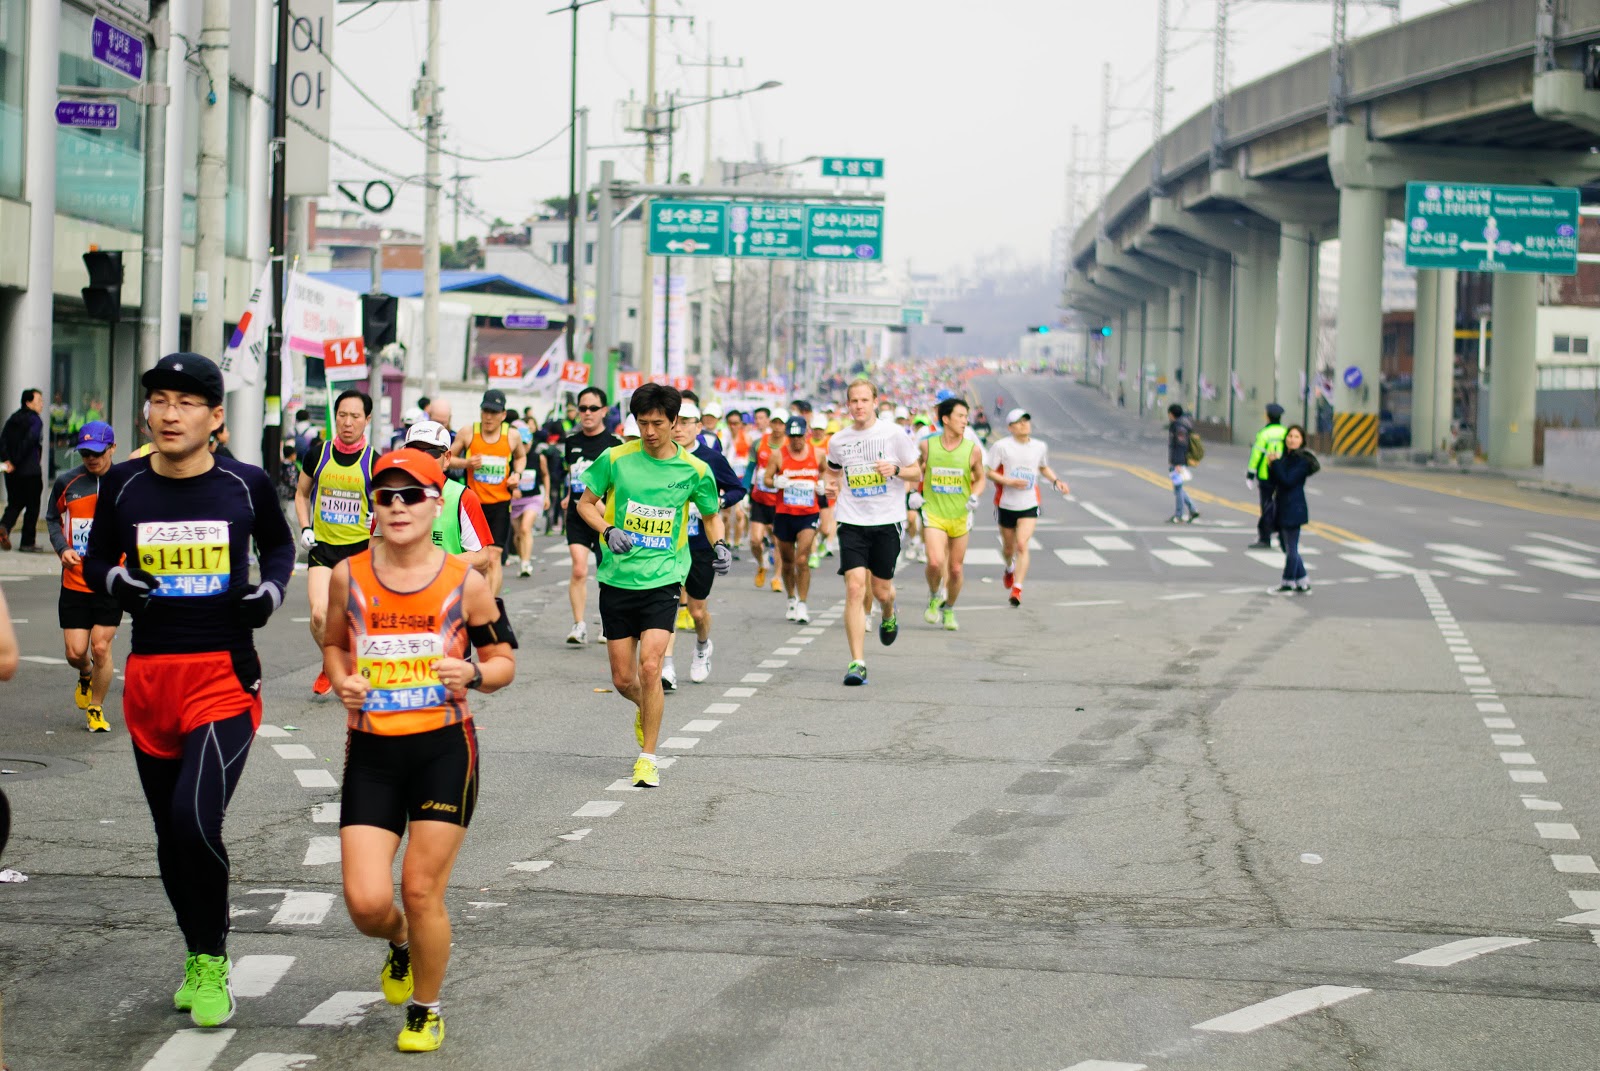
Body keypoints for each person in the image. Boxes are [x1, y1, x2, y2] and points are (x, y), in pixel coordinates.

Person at [82, 353, 295, 1028]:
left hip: (222, 676)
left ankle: (212, 956)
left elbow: (281, 547)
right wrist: (114, 584)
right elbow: (94, 558)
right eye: (159, 400)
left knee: (194, 819)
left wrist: (269, 590)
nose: (169, 413)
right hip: (150, 678)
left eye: (186, 402)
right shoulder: (122, 485)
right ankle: (197, 947)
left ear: (215, 417)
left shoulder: (245, 484)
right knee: (170, 838)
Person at [322, 448, 517, 1053]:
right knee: (366, 903)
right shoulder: (347, 576)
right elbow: (333, 644)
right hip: (374, 752)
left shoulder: (466, 582)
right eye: (386, 496)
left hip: (443, 750)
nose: (398, 506)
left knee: (420, 888)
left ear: (439, 501)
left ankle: (426, 1009)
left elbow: (504, 661)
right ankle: (399, 942)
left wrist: (474, 675)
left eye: (412, 495)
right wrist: (342, 680)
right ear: (372, 507)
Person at [576, 384, 728, 788]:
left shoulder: (694, 470)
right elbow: (584, 504)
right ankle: (647, 708)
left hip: (664, 578)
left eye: (657, 423)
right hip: (617, 579)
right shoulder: (615, 459)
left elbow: (711, 514)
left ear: (675, 422)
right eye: (642, 423)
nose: (649, 431)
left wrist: (720, 545)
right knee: (624, 679)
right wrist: (608, 530)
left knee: (651, 667)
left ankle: (648, 757)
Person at [823, 380, 921, 687]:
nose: (859, 406)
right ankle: (857, 662)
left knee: (881, 591)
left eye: (865, 400)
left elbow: (917, 471)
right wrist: (830, 485)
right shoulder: (838, 440)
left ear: (875, 402)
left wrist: (896, 470)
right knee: (854, 588)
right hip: (851, 521)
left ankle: (889, 611)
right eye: (854, 401)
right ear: (848, 405)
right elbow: (832, 470)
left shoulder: (893, 434)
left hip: (887, 520)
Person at [295, 389, 376, 697]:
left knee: (355, 621)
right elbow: (302, 494)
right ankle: (332, 664)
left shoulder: (373, 462)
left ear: (366, 420)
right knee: (319, 614)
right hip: (323, 549)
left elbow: (384, 506)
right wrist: (305, 527)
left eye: (355, 416)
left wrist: (376, 528)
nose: (347, 422)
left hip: (358, 552)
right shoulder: (318, 453)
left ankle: (340, 661)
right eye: (342, 415)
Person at [44, 420, 122, 732]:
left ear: (112, 448)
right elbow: (51, 517)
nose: (91, 458)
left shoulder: (127, 483)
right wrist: (62, 548)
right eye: (85, 452)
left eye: (97, 452)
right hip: (75, 580)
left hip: (110, 581)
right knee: (76, 652)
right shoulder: (68, 481)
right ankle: (85, 673)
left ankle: (96, 708)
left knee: (101, 646)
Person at [666, 401, 745, 685]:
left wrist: (716, 503)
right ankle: (666, 667)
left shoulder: (710, 459)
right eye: (674, 422)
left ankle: (702, 647)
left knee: (697, 611)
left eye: (686, 423)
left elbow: (737, 488)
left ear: (699, 427)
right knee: (668, 607)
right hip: (666, 545)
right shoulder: (661, 456)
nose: (679, 429)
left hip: (700, 544)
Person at [446, 389, 526, 596]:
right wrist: (466, 463)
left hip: (500, 503)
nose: (489, 417)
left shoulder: (512, 435)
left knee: (493, 557)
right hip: (474, 505)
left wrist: (516, 474)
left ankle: (490, 603)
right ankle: (476, 598)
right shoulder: (468, 432)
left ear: (503, 414)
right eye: (485, 411)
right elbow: (447, 459)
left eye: (494, 412)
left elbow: (520, 457)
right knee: (475, 558)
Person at [985, 409, 1069, 608]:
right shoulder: (1001, 446)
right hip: (1006, 503)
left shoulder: (1040, 446)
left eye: (1026, 421)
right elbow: (988, 471)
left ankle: (1017, 588)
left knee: (1022, 545)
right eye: (1019, 422)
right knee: (1009, 548)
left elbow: (1042, 467)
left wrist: (1057, 481)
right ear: (1010, 427)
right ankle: (1008, 567)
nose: (1024, 425)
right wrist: (1008, 481)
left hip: (1029, 502)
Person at [919, 397, 986, 632]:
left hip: (960, 515)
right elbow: (915, 470)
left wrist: (975, 495)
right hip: (933, 513)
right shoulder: (927, 446)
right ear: (945, 419)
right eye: (960, 416)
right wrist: (912, 495)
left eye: (966, 417)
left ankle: (949, 608)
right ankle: (935, 593)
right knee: (936, 562)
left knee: (956, 569)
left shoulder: (972, 450)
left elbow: (981, 477)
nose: (965, 421)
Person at [560, 387, 621, 644]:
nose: (587, 413)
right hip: (577, 515)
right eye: (582, 408)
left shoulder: (614, 445)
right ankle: (579, 625)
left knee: (606, 575)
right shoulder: (571, 442)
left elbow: (619, 486)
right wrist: (566, 495)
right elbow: (571, 474)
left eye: (593, 408)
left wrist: (608, 510)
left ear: (604, 411)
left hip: (604, 519)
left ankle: (607, 624)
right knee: (578, 569)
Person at [399, 422, 494, 574]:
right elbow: (376, 546)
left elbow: (482, 558)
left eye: (432, 452)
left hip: (449, 592)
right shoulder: (390, 493)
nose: (423, 458)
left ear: (447, 458)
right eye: (414, 450)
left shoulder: (463, 497)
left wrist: (437, 563)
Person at [764, 415, 823, 624]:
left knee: (802, 559)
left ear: (806, 435)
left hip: (808, 513)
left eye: (800, 437)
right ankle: (791, 598)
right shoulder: (778, 455)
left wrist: (823, 486)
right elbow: (767, 479)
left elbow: (829, 474)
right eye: (793, 437)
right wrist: (776, 482)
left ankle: (803, 603)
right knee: (788, 562)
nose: (796, 441)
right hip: (785, 514)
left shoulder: (818, 454)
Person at [1268, 424, 1319, 594]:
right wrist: (1272, 465)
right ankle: (1303, 580)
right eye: (1290, 436)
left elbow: (1288, 480)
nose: (1292, 439)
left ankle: (1288, 582)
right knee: (1287, 547)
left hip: (1294, 507)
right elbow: (1276, 480)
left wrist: (1275, 464)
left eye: (1296, 437)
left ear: (1302, 440)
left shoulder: (1302, 461)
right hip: (1283, 506)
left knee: (1291, 548)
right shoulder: (1286, 457)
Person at [0, 388, 46, 552]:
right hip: (30, 471)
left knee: (15, 502)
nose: (42, 404)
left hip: (11, 472)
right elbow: (29, 441)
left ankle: (4, 527)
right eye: (39, 401)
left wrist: (7, 461)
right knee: (33, 506)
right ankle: (27, 541)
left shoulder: (13, 419)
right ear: (28, 402)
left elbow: (3, 440)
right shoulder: (35, 421)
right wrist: (16, 461)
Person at [748, 409, 786, 592]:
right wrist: (743, 490)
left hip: (779, 501)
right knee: (755, 540)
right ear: (770, 423)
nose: (778, 427)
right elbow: (750, 469)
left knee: (778, 541)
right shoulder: (758, 443)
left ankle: (777, 577)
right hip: (760, 499)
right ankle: (762, 562)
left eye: (781, 424)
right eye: (775, 423)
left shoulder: (788, 447)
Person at [1247, 403, 1288, 549]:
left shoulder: (1264, 434)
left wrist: (1251, 472)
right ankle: (1283, 537)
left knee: (1266, 506)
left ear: (1267, 416)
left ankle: (1265, 538)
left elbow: (1256, 454)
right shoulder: (1286, 432)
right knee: (1282, 506)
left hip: (1266, 475)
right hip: (1282, 475)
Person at [1167, 403, 1200, 524]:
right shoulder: (1180, 425)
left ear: (1172, 414)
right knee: (1178, 488)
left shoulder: (1179, 427)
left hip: (1178, 462)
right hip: (1178, 461)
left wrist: (1178, 463)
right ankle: (1192, 509)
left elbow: (1181, 445)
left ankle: (1179, 514)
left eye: (1169, 414)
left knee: (1178, 487)